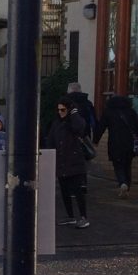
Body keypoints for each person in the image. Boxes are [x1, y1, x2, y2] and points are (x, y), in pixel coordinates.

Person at [44, 97, 91, 228]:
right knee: (64, 190)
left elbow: (80, 127)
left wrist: (74, 113)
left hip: (74, 160)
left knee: (78, 190)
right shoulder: (56, 122)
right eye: (58, 110)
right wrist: (49, 154)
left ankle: (83, 217)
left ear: (69, 109)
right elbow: (51, 139)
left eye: (63, 110)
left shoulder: (75, 121)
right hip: (61, 160)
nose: (60, 112)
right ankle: (70, 216)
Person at [93, 93, 138, 196]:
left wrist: (95, 140)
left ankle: (122, 183)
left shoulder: (108, 112)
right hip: (129, 143)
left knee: (118, 165)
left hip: (115, 143)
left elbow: (101, 127)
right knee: (127, 165)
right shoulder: (131, 112)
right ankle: (127, 187)